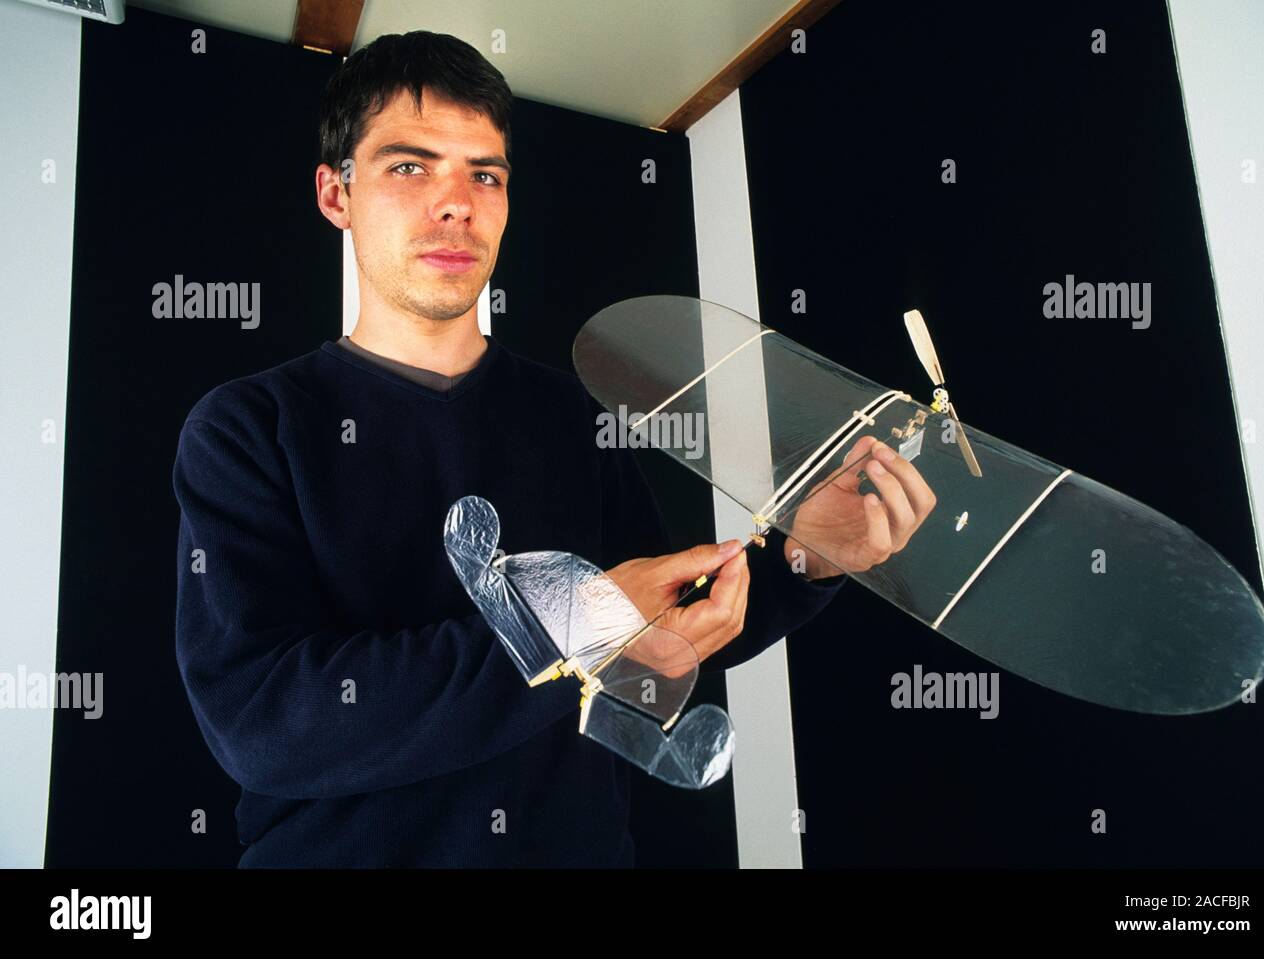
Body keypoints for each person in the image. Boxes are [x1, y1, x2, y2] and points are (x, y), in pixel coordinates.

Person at [172, 31, 934, 868]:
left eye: (484, 174)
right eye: (409, 166)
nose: (455, 203)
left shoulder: (571, 413)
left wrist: (803, 559)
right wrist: (581, 619)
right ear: (335, 193)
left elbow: (663, 634)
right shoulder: (247, 427)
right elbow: (267, 723)